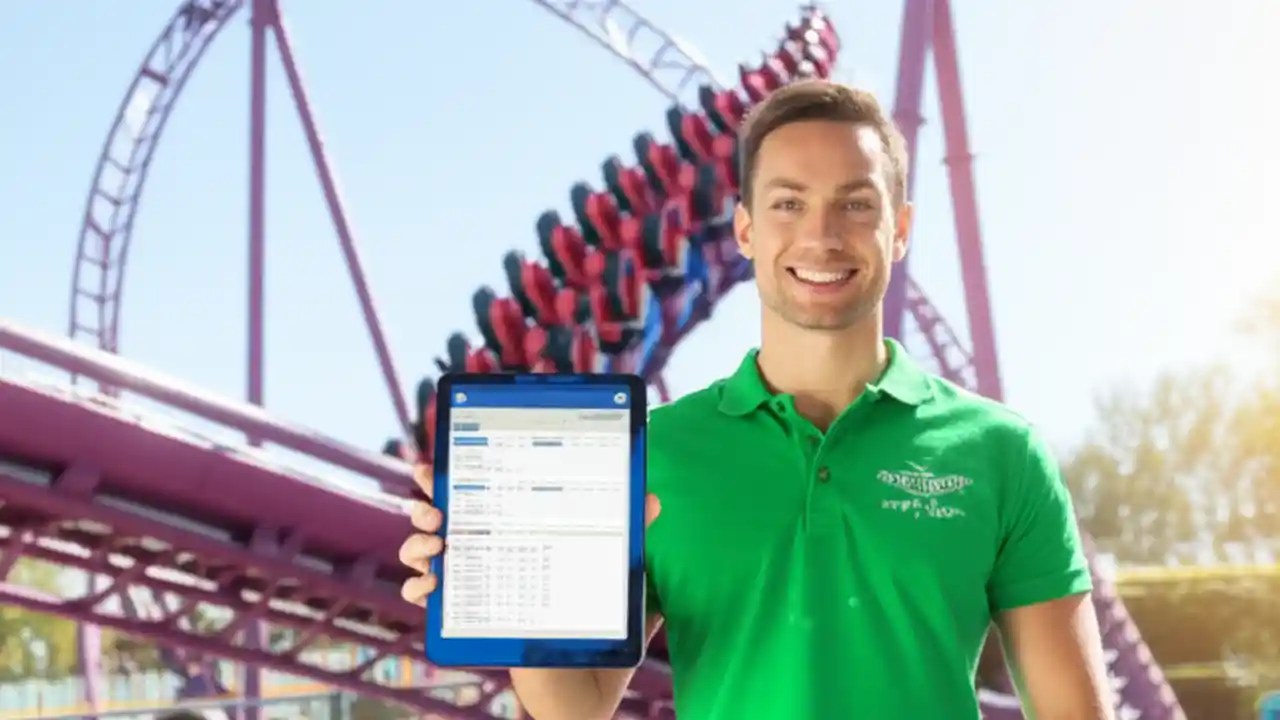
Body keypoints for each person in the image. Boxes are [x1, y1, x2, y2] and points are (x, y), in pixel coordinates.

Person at [399, 78, 1114, 719]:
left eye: (856, 203)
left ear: (900, 230)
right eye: (788, 203)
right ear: (745, 228)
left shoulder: (1001, 453)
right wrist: (516, 585)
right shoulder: (653, 451)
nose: (821, 234)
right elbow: (575, 710)